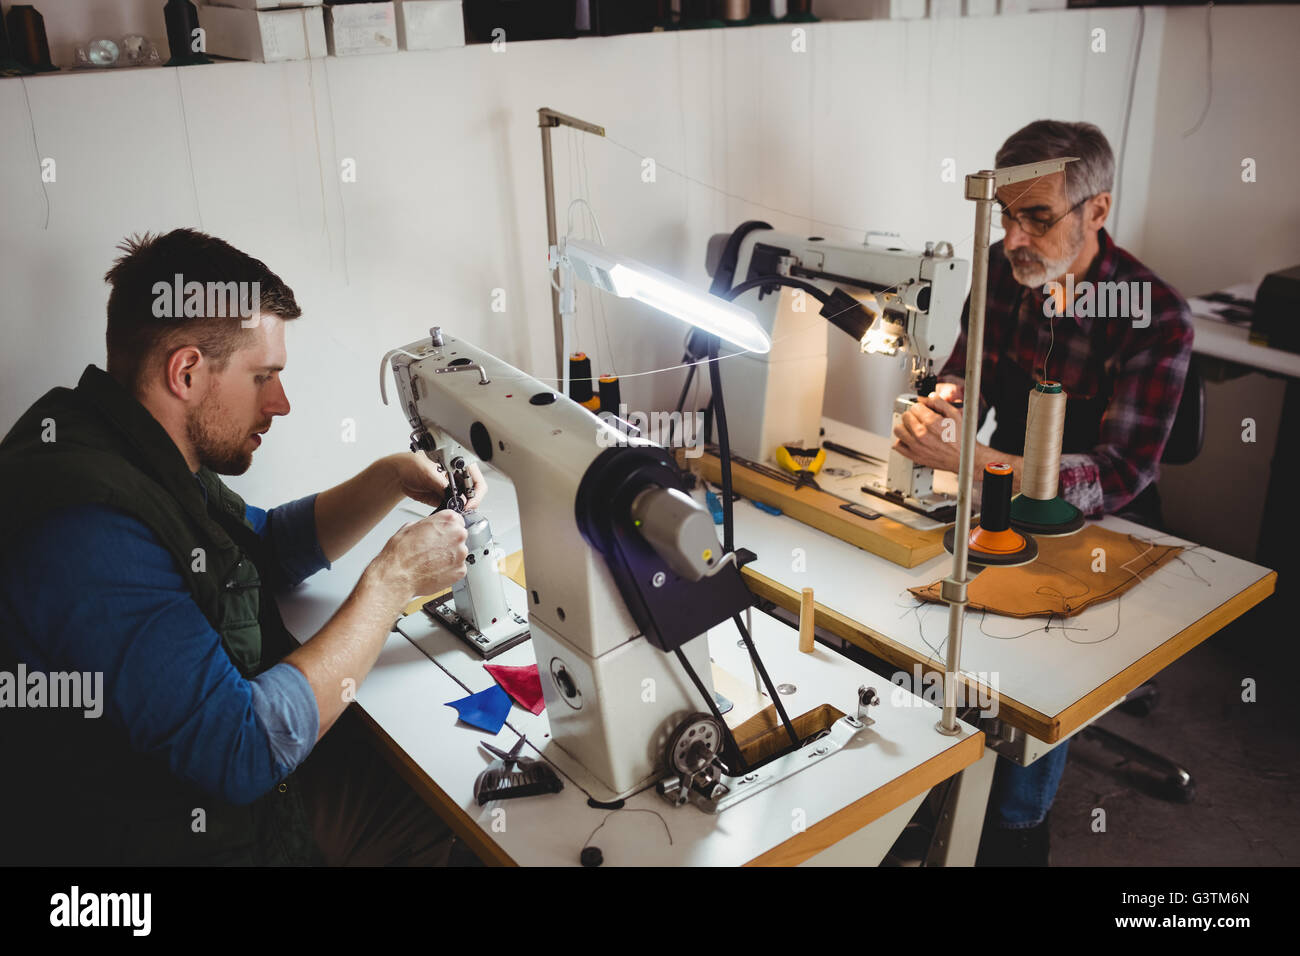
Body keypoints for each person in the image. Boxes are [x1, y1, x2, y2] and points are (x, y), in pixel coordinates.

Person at [0, 229, 481, 865]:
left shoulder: (127, 441)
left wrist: (390, 477)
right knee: (464, 820)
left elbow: (263, 547)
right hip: (165, 838)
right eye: (264, 377)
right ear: (188, 372)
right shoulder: (89, 529)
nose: (280, 403)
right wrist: (389, 584)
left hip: (200, 795)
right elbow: (245, 749)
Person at [891, 120, 1194, 865]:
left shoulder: (1156, 315)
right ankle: (924, 787)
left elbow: (1123, 472)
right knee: (913, 604)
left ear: (1097, 211)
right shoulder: (1004, 271)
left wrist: (976, 457)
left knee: (1038, 659)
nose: (1014, 237)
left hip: (1107, 520)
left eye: (1037, 217)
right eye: (1005, 214)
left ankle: (1014, 833)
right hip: (999, 482)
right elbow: (970, 376)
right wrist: (942, 408)